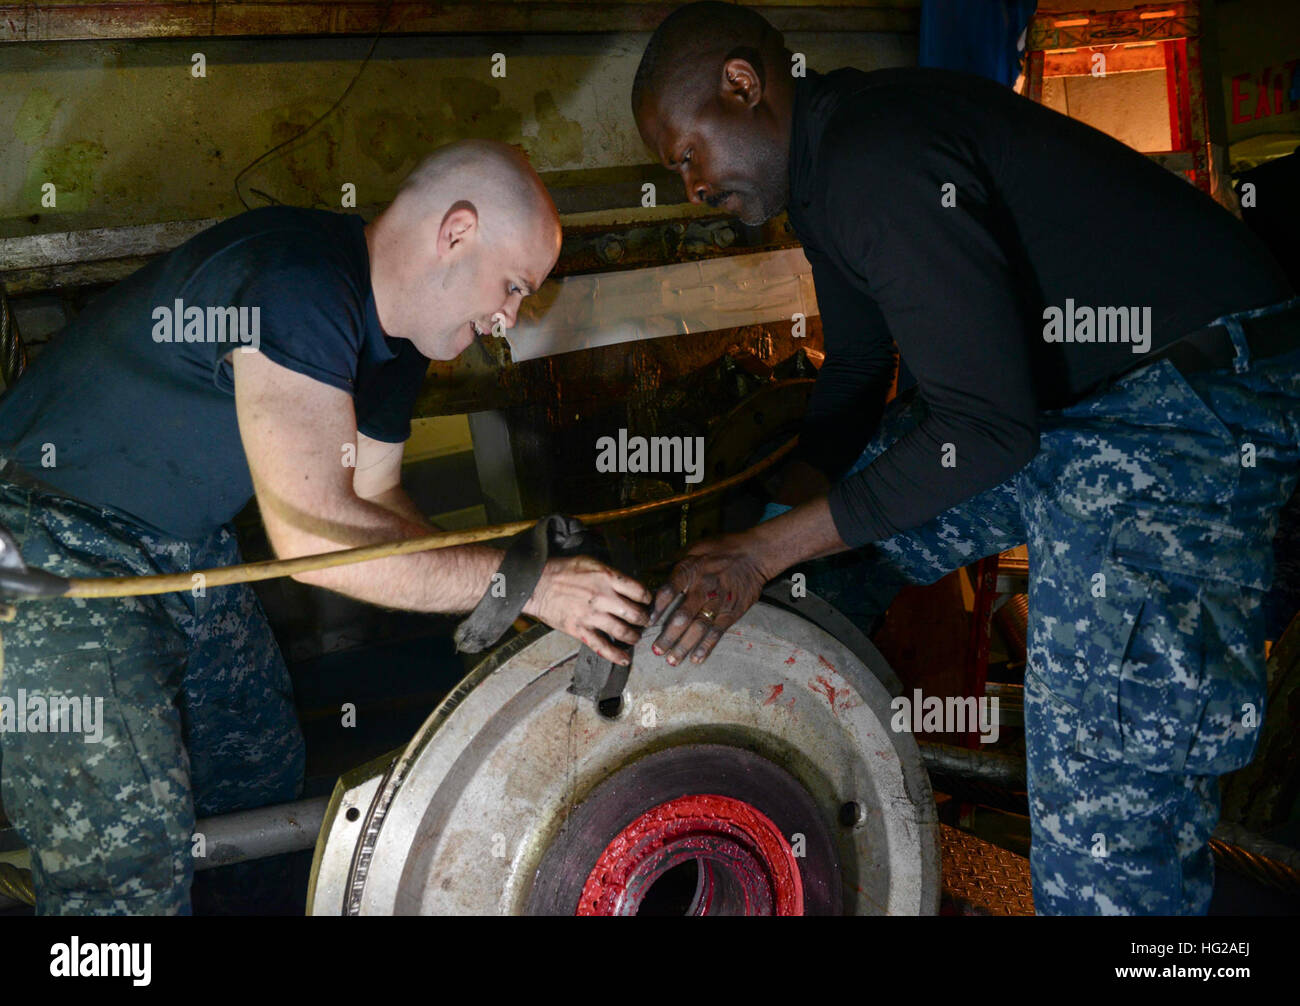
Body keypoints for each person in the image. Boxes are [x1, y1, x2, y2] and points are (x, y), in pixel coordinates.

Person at [633, 2, 1300, 915]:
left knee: (1099, 816)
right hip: (1090, 399)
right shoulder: (828, 175)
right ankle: (766, 738)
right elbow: (862, 372)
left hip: (1190, 407)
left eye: (685, 156)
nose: (690, 187)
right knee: (834, 549)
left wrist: (765, 552)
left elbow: (987, 432)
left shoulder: (873, 158)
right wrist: (765, 548)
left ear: (741, 85)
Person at [0, 138, 650, 915]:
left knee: (259, 766)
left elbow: (374, 498)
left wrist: (512, 599)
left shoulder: (396, 344)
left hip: (181, 546)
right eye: (514, 286)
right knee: (128, 856)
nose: (508, 318)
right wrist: (533, 585)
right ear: (456, 232)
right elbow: (316, 545)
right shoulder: (301, 281)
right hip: (46, 542)